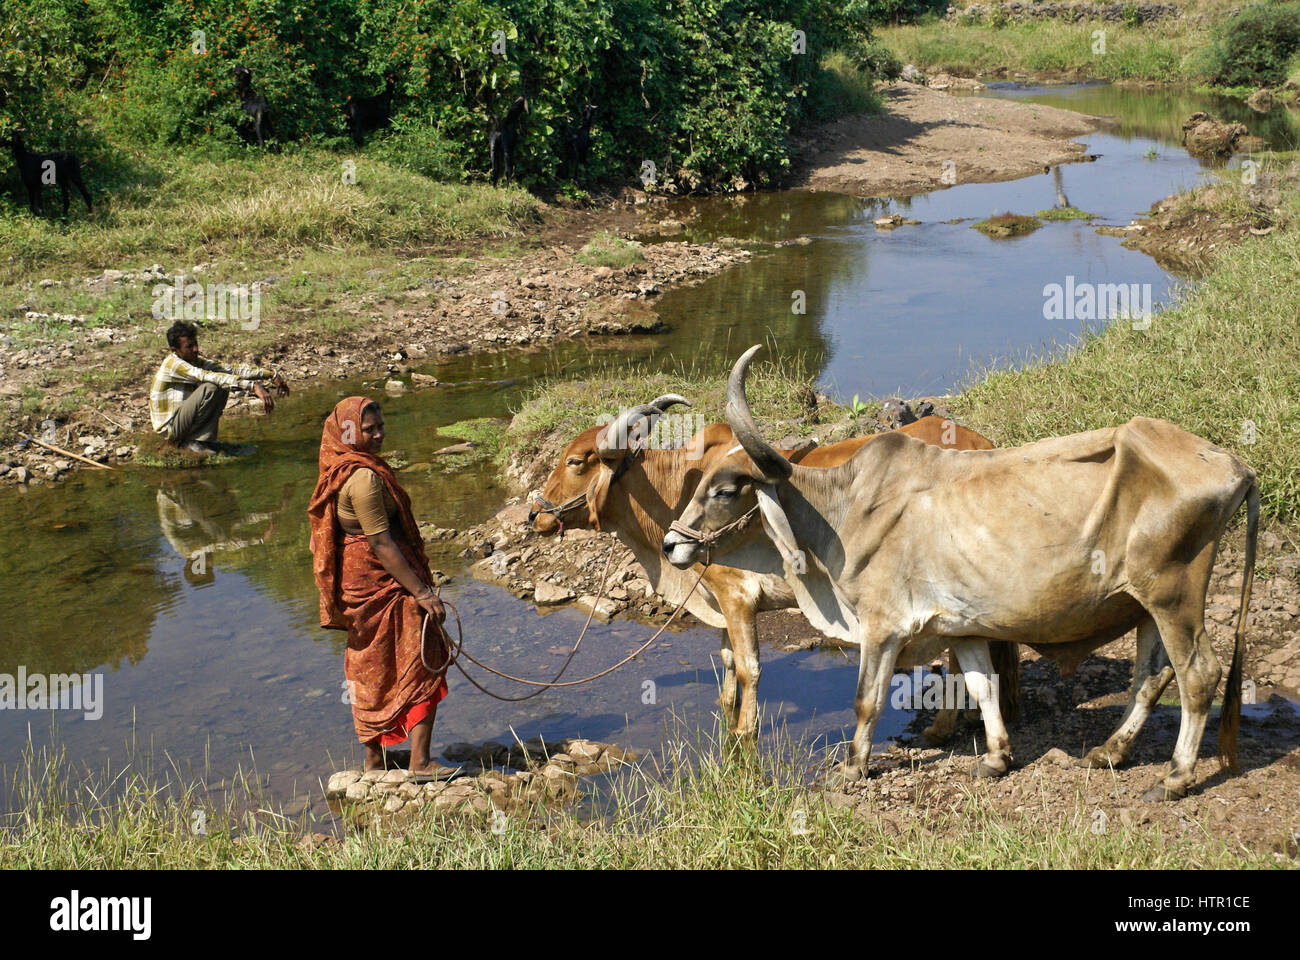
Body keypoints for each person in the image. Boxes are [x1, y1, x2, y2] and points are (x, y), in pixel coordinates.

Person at [307, 396, 458, 780]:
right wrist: (422, 594)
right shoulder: (364, 479)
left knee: (369, 668)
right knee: (426, 657)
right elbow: (382, 544)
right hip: (384, 584)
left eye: (380, 426)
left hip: (356, 586)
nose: (378, 434)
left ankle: (375, 760)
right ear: (348, 432)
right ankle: (420, 763)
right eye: (369, 429)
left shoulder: (339, 469)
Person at [149, 320, 289, 456]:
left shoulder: (194, 360)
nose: (196, 349)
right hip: (171, 429)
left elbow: (230, 370)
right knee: (211, 387)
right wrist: (252, 387)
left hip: (182, 421)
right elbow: (208, 377)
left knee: (222, 380)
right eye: (189, 346)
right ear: (175, 350)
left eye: (196, 344)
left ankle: (203, 441)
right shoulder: (173, 364)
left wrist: (271, 374)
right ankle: (191, 443)